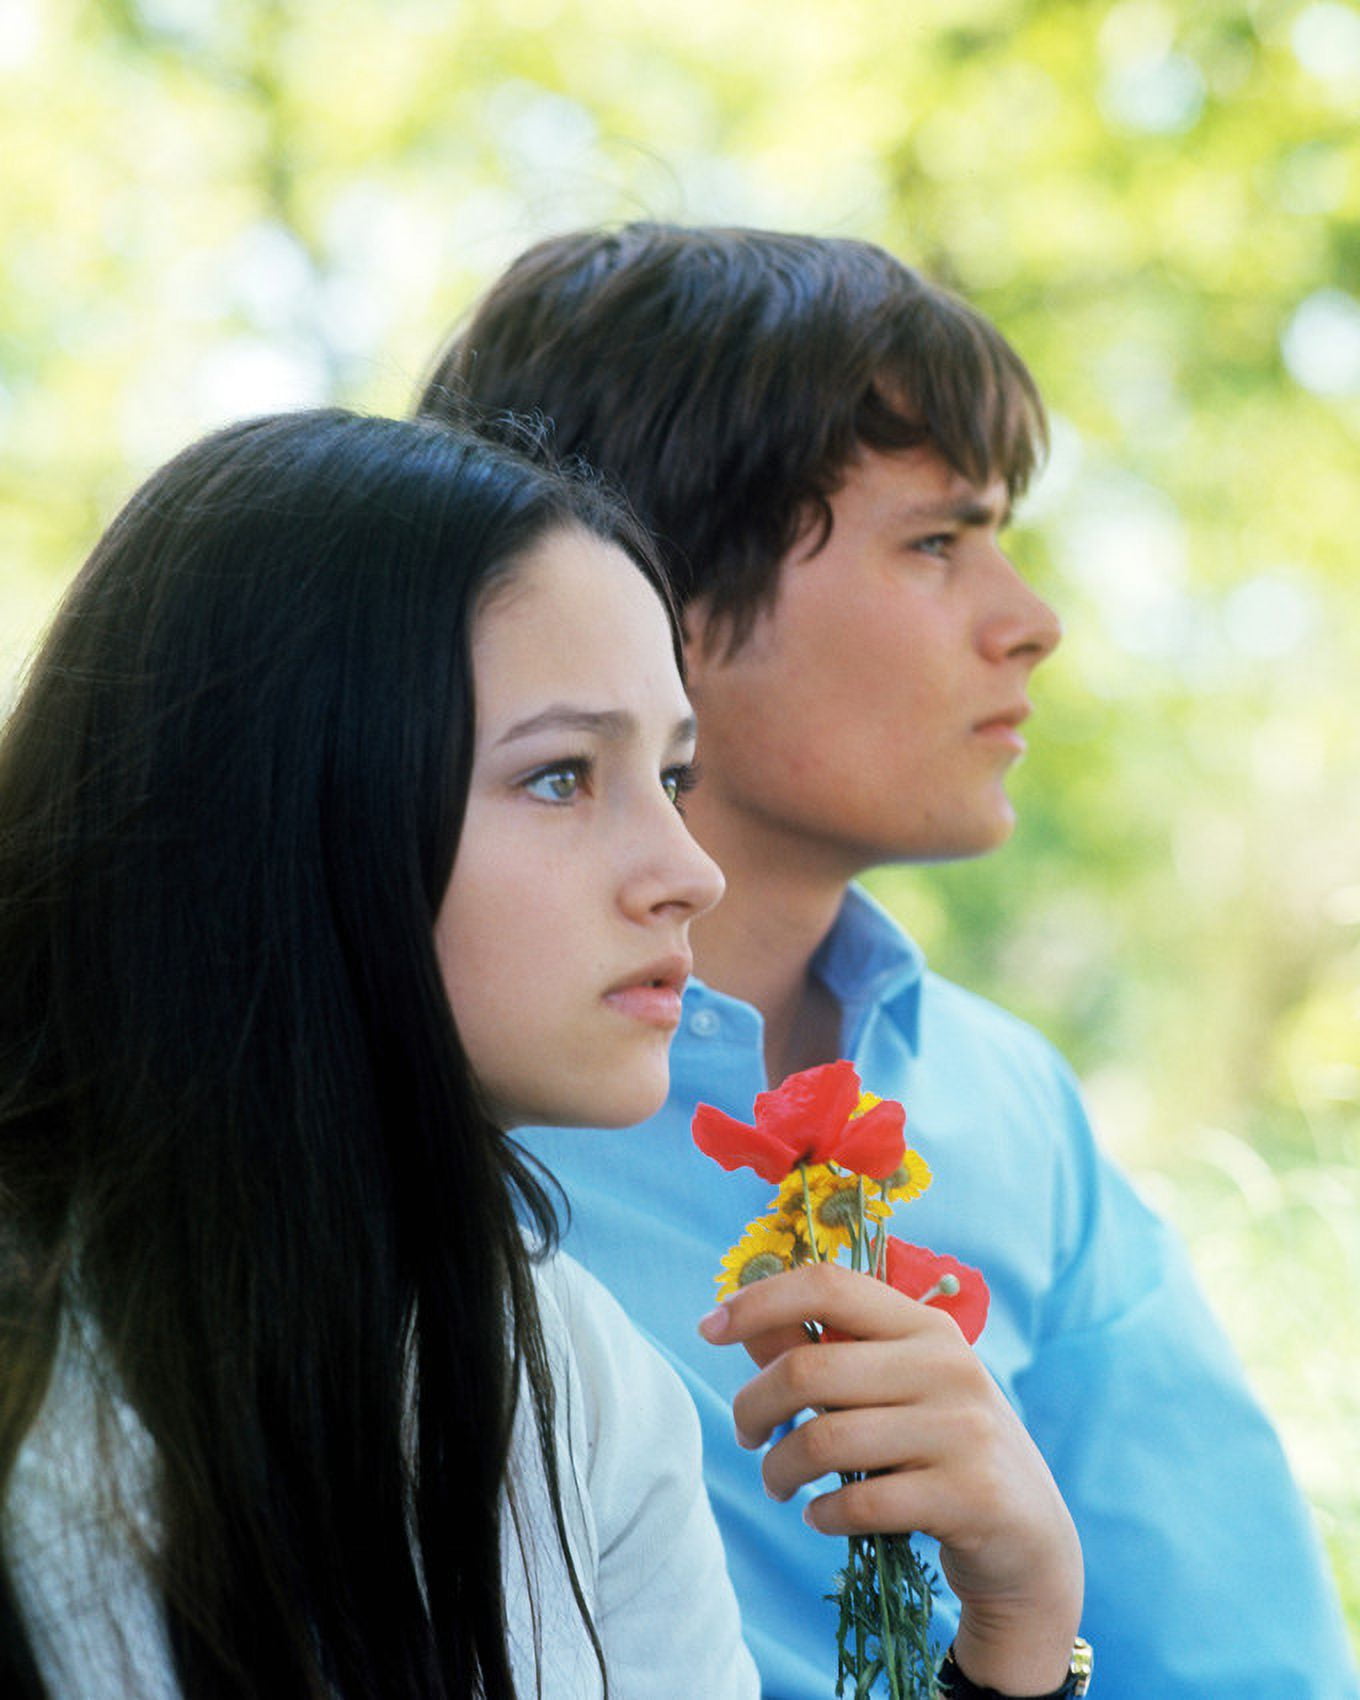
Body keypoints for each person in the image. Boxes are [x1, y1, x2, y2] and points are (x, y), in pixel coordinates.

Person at [0, 406, 1081, 1700]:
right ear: (287, 806)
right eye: (563, 776)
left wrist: (1014, 1641)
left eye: (673, 778)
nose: (689, 873)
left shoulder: (570, 1373)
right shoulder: (43, 1379)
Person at [420, 222, 1360, 1700]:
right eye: (938, 541)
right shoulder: (398, 1095)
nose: (1031, 624)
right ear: (648, 593)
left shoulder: (1009, 1110)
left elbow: (1243, 1668)